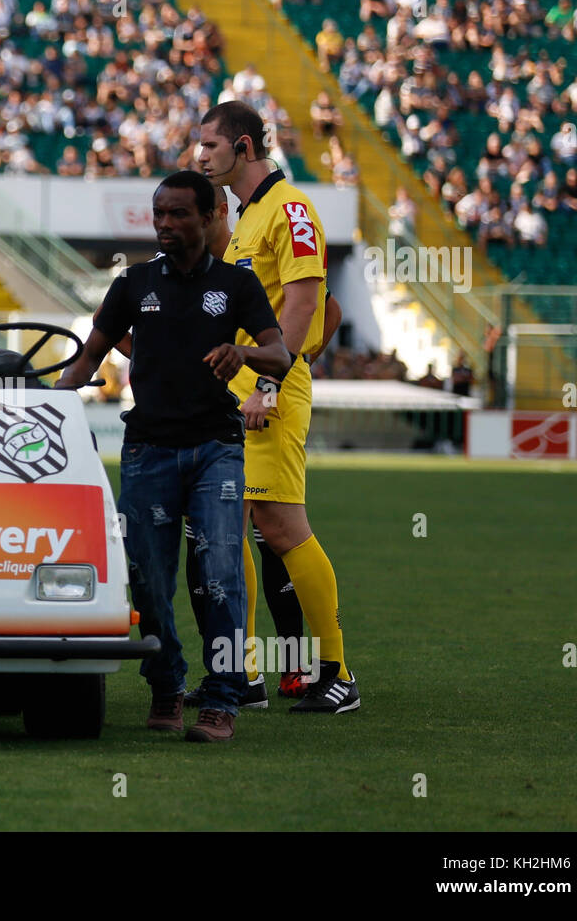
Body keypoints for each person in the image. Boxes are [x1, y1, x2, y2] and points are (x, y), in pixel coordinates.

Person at [56, 169, 292, 742]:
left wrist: (243, 353)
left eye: (179, 213)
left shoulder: (237, 286)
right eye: (159, 213)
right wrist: (47, 405)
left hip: (217, 449)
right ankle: (166, 685)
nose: (165, 223)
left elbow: (281, 354)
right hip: (146, 451)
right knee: (147, 581)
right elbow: (88, 358)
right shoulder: (132, 284)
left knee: (219, 576)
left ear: (211, 216)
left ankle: (221, 699)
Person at [197, 99, 360, 713]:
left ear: (243, 147)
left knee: (282, 526)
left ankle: (337, 672)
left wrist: (268, 383)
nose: (200, 155)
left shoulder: (289, 208)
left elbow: (303, 305)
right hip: (241, 389)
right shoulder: (249, 214)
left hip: (271, 390)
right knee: (230, 527)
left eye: (210, 145)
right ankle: (243, 673)